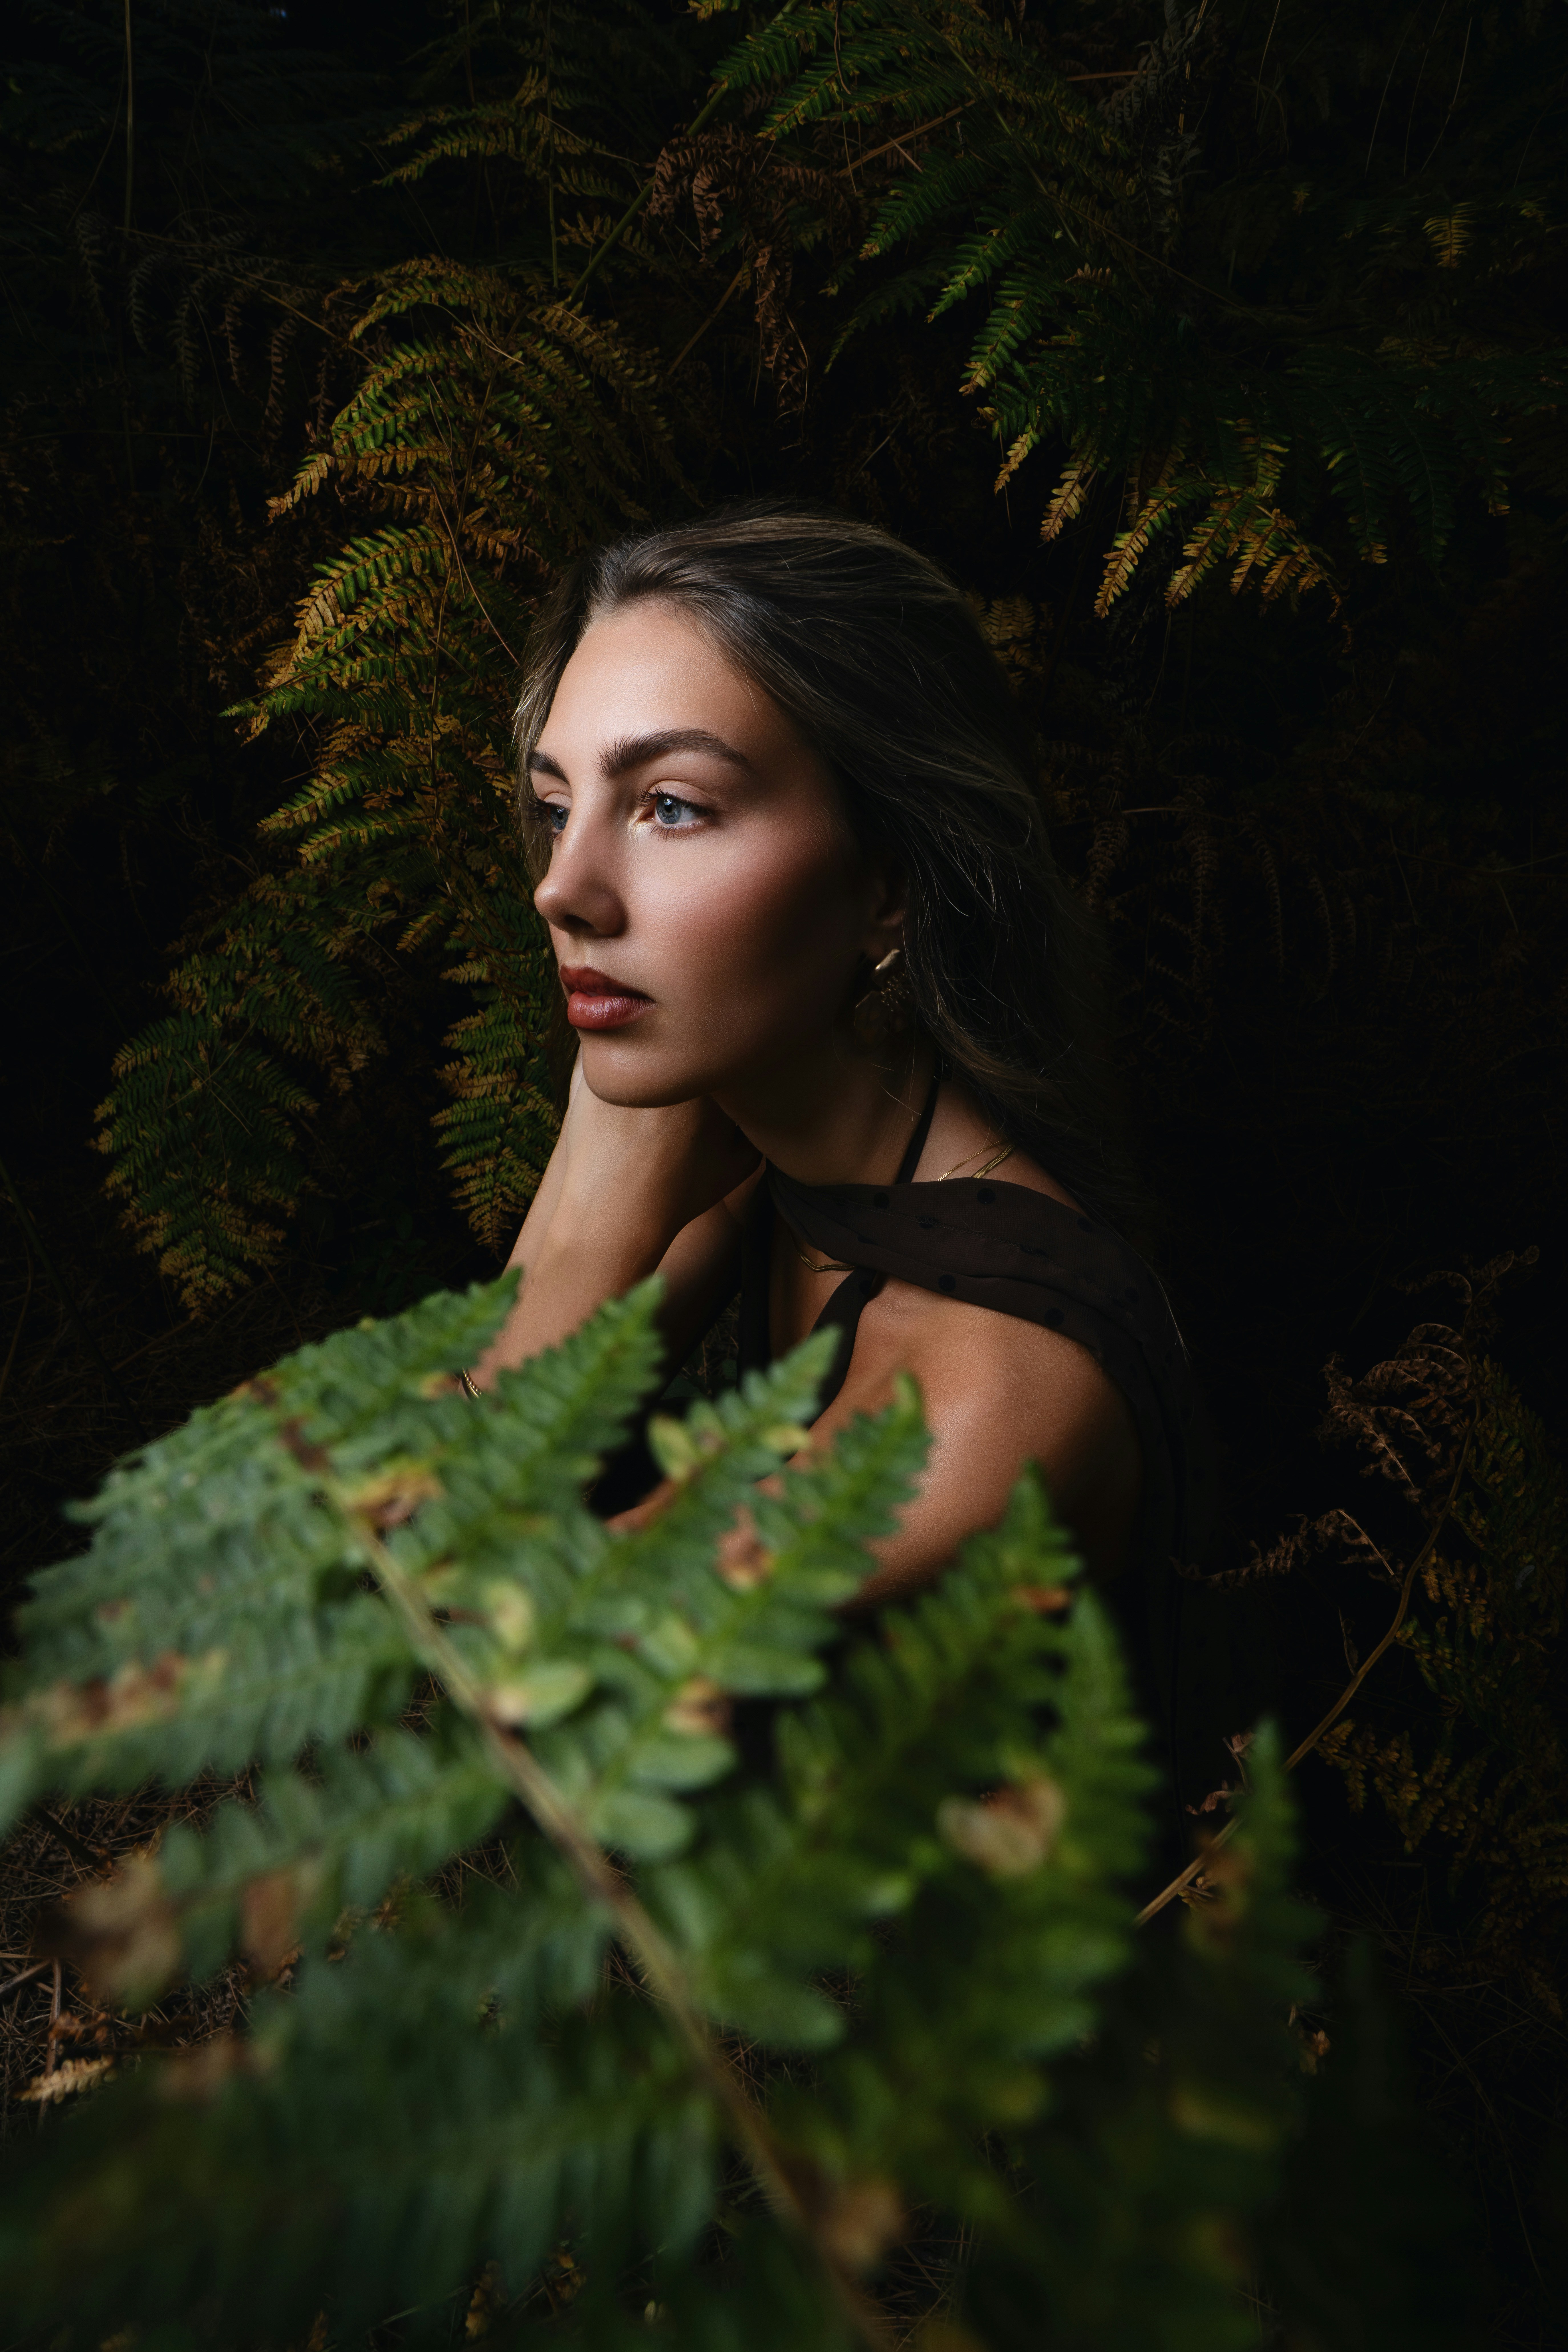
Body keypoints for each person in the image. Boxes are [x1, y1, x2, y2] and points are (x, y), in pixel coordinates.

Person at [469, 504, 1208, 1741]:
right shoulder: (777, 1176)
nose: (564, 888)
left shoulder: (984, 1383)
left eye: (672, 806)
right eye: (558, 807)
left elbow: (469, 1654)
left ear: (889, 886)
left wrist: (595, 1200)